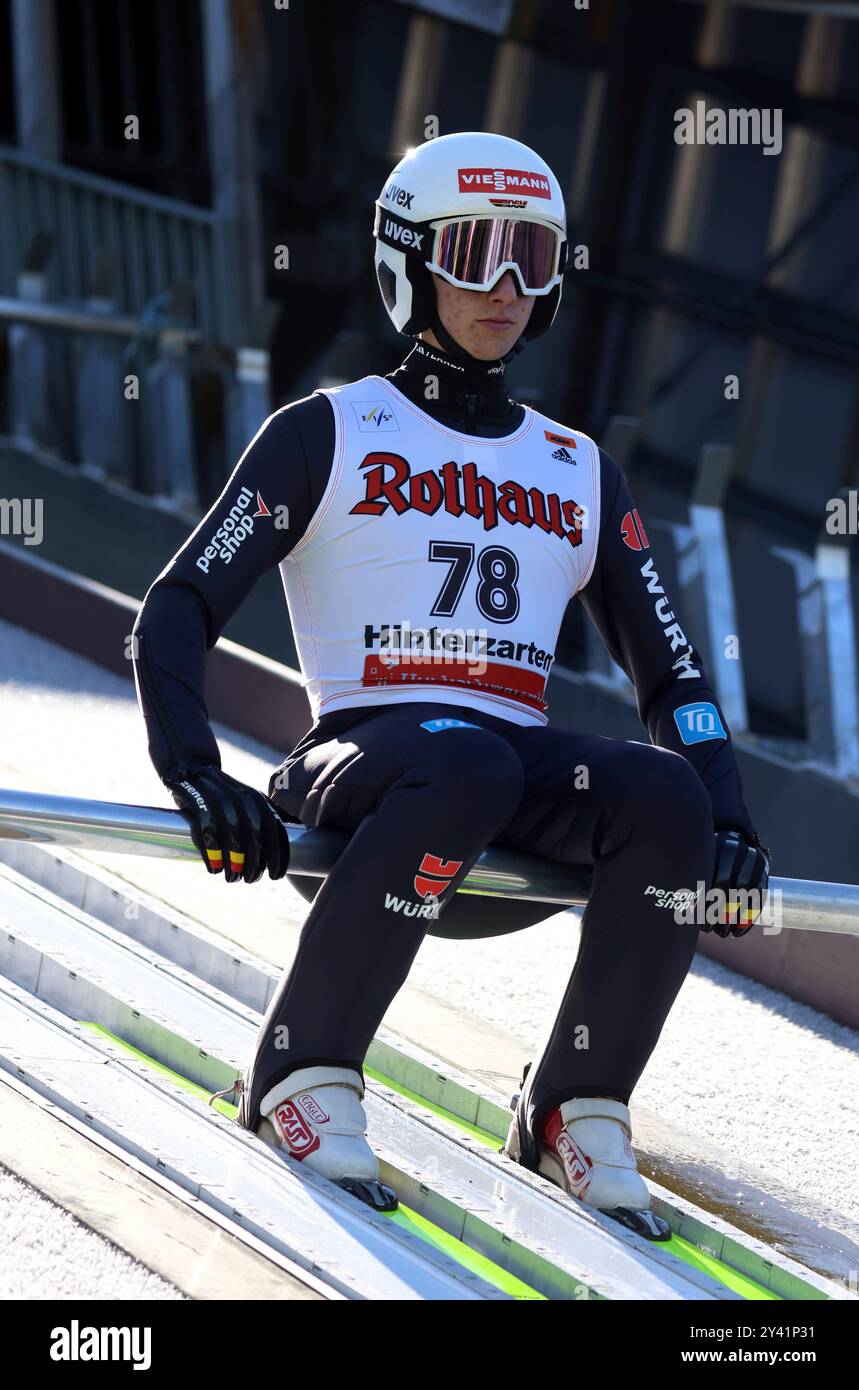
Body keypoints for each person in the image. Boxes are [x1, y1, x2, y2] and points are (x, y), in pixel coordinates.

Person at [132, 131, 770, 1239]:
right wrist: (195, 771)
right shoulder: (327, 430)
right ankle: (302, 1068)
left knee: (662, 794)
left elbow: (670, 672)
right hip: (363, 765)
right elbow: (177, 606)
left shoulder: (574, 468)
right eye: (475, 253)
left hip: (499, 778)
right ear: (408, 267)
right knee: (460, 754)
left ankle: (574, 1101)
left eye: (531, 255)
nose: (507, 288)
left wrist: (726, 810)